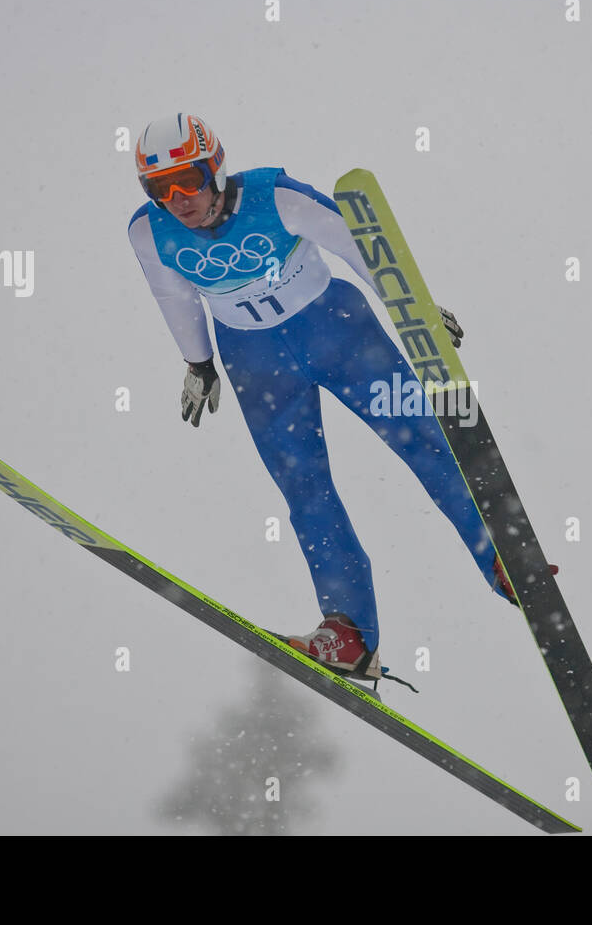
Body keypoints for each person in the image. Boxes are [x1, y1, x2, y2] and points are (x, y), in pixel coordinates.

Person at [127, 113, 525, 683]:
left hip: (338, 331)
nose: (179, 199)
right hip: (256, 363)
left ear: (214, 167)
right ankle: (350, 634)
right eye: (160, 189)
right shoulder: (149, 232)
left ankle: (502, 556)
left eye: (188, 179)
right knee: (304, 487)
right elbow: (171, 295)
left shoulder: (274, 195)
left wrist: (414, 308)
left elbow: (357, 243)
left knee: (421, 439)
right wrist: (198, 362)